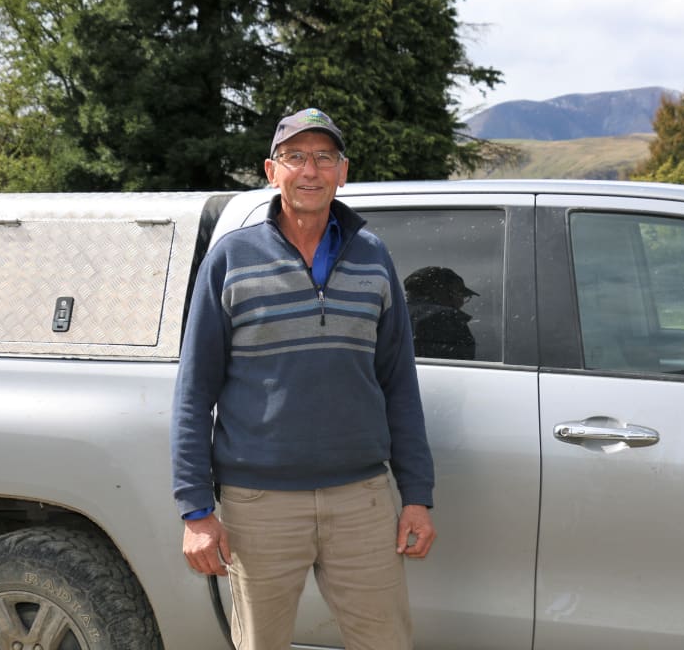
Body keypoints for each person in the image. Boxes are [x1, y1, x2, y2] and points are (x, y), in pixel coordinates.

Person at [170, 108, 436, 650]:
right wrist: (196, 510)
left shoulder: (373, 257)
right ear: (273, 171)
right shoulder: (231, 258)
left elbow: (398, 384)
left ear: (343, 171)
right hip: (259, 504)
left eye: (324, 157)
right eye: (295, 157)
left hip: (361, 499)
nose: (310, 170)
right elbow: (194, 392)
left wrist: (416, 496)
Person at [403, 266, 478, 360]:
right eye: (460, 294)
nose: (462, 302)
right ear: (444, 293)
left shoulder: (395, 314)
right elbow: (460, 363)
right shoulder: (446, 319)